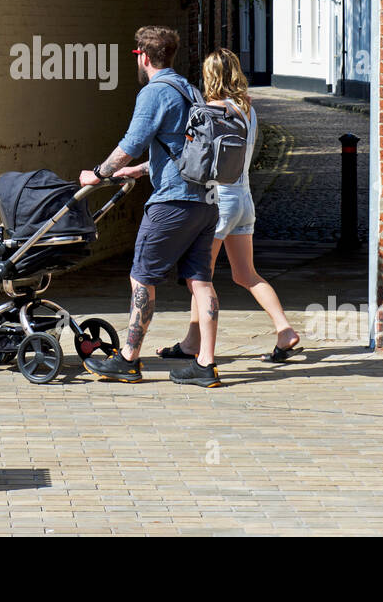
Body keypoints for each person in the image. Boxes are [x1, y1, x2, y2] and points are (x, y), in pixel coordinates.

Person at [78, 26, 224, 387]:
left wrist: (99, 173)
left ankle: (128, 359)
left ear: (142, 57)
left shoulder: (154, 92)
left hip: (171, 204)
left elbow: (133, 141)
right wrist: (142, 170)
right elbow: (183, 150)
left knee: (141, 277)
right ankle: (205, 365)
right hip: (206, 201)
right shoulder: (190, 90)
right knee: (201, 282)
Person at [157, 48, 303, 364]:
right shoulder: (247, 109)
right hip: (243, 199)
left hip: (218, 200)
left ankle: (195, 348)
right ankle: (284, 329)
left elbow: (195, 158)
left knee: (199, 276)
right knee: (246, 273)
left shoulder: (211, 111)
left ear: (210, 76)